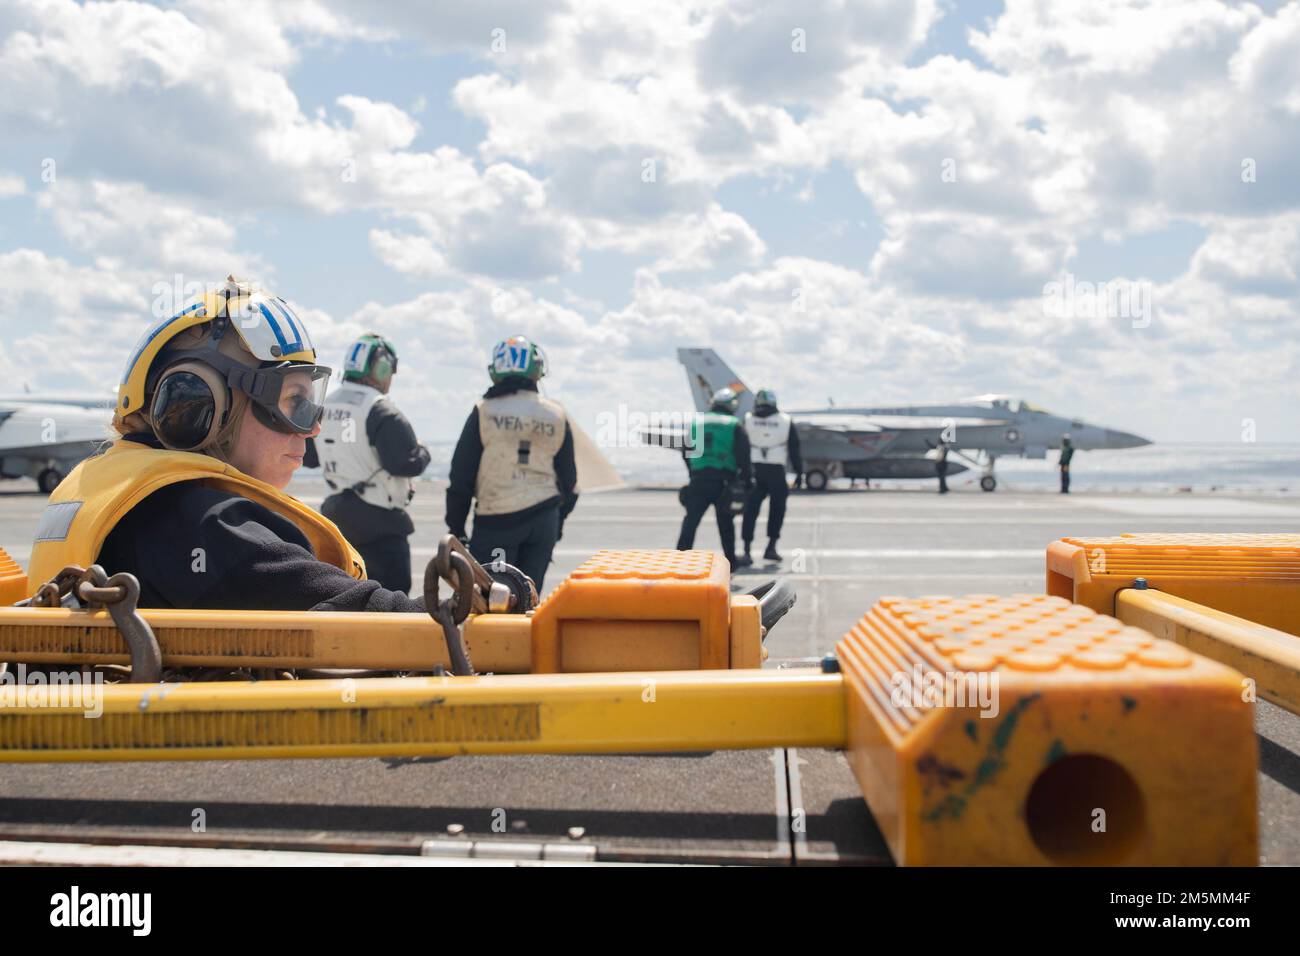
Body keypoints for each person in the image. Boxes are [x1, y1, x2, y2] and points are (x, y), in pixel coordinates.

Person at [28, 277, 424, 612]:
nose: (310, 430)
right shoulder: (201, 525)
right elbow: (383, 624)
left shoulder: (104, 490)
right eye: (293, 402)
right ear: (202, 404)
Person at [446, 336, 577, 592]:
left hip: (497, 521)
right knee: (529, 598)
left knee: (492, 601)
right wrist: (556, 524)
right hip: (544, 520)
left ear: (496, 372)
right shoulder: (556, 414)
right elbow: (570, 481)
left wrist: (457, 527)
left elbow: (461, 476)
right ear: (538, 371)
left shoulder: (484, 411)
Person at [315, 333, 430, 593]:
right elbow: (404, 463)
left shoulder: (325, 404)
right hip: (382, 527)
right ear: (382, 368)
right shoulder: (381, 410)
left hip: (335, 519)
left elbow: (310, 457)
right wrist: (424, 453)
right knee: (391, 601)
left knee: (340, 597)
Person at [676, 387, 750, 569]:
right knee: (726, 523)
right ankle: (731, 561)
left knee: (690, 521)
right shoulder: (734, 424)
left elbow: (686, 451)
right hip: (724, 481)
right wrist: (746, 479)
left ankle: (679, 560)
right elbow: (743, 456)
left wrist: (693, 472)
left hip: (699, 480)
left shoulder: (697, 422)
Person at [739, 388, 802, 565]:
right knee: (778, 510)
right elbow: (794, 449)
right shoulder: (786, 421)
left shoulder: (747, 419)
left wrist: (740, 471)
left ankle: (747, 551)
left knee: (750, 512)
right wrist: (799, 473)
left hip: (754, 470)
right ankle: (771, 547)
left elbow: (740, 447)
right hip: (776, 471)